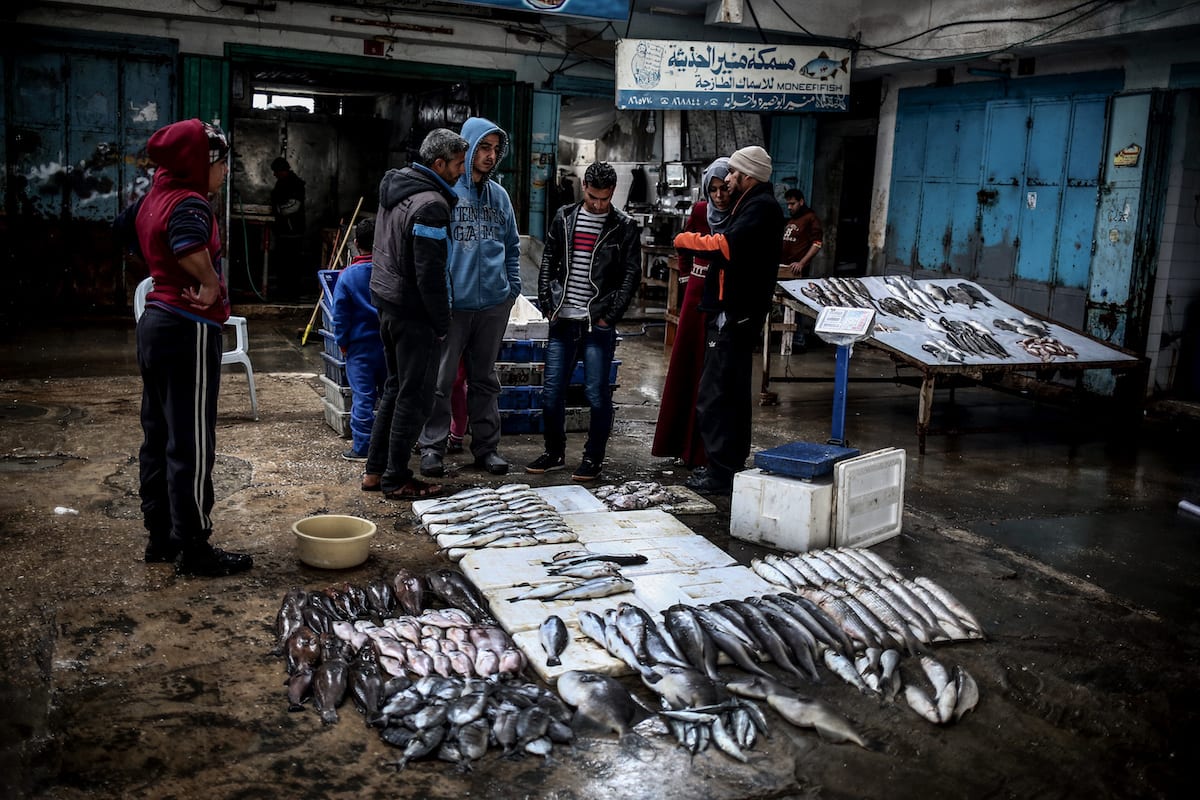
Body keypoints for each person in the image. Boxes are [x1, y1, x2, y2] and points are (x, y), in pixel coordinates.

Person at [132, 118, 252, 576]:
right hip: (187, 326)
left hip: (156, 322)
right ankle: (195, 548)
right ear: (200, 164)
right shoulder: (189, 203)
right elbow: (185, 244)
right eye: (221, 163)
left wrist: (168, 272)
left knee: (158, 435)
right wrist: (206, 280)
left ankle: (159, 536)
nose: (224, 172)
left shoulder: (155, 197)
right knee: (193, 443)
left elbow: (139, 236)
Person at [360, 129, 467, 500]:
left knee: (394, 388)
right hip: (413, 312)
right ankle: (396, 477)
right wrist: (441, 323)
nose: (461, 170)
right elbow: (429, 274)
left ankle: (375, 471)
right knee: (416, 397)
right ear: (438, 164)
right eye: (457, 163)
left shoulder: (398, 189)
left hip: (387, 304)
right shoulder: (431, 205)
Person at [673, 145, 784, 496]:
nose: (729, 179)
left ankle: (720, 472)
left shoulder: (761, 208)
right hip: (732, 310)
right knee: (728, 393)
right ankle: (725, 468)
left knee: (716, 395)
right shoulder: (751, 205)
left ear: (748, 176)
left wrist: (684, 240)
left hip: (735, 313)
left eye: (734, 174)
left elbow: (725, 246)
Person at [417, 117, 521, 478]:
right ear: (470, 146)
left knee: (484, 380)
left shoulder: (501, 197)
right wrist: (440, 301)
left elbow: (511, 246)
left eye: (496, 149)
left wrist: (511, 290)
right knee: (441, 380)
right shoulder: (445, 192)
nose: (490, 156)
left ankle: (487, 449)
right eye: (484, 148)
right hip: (452, 307)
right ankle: (432, 447)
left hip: (492, 304)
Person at [526, 161, 641, 482]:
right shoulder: (564, 217)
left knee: (596, 394)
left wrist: (609, 317)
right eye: (593, 197)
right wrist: (548, 304)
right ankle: (554, 452)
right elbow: (548, 258)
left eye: (605, 199)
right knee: (551, 393)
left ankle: (593, 458)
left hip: (597, 324)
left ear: (612, 193)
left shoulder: (624, 226)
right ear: (584, 189)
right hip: (562, 319)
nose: (599, 204)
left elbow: (631, 275)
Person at [651, 158, 732, 470]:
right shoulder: (700, 212)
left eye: (724, 188)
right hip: (697, 293)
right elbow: (681, 246)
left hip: (722, 296)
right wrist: (686, 278)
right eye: (713, 189)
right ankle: (679, 445)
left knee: (711, 373)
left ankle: (704, 451)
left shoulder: (738, 215)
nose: (719, 195)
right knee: (687, 367)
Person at [331, 218, 386, 462]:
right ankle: (393, 445)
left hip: (359, 349)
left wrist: (342, 341)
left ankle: (362, 447)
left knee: (363, 398)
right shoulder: (390, 272)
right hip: (391, 345)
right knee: (392, 396)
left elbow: (340, 316)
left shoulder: (347, 276)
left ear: (355, 244)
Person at [270, 156, 307, 300]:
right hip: (284, 231)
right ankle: (284, 292)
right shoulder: (283, 183)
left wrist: (279, 210)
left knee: (291, 263)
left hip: (292, 231)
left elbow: (294, 205)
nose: (274, 174)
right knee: (283, 263)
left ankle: (291, 294)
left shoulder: (294, 184)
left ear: (282, 170)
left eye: (276, 171)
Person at [781, 188, 824, 277]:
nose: (789, 207)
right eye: (788, 204)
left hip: (797, 269)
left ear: (801, 202)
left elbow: (817, 243)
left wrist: (801, 263)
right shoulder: (792, 219)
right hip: (784, 267)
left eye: (792, 204)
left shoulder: (811, 218)